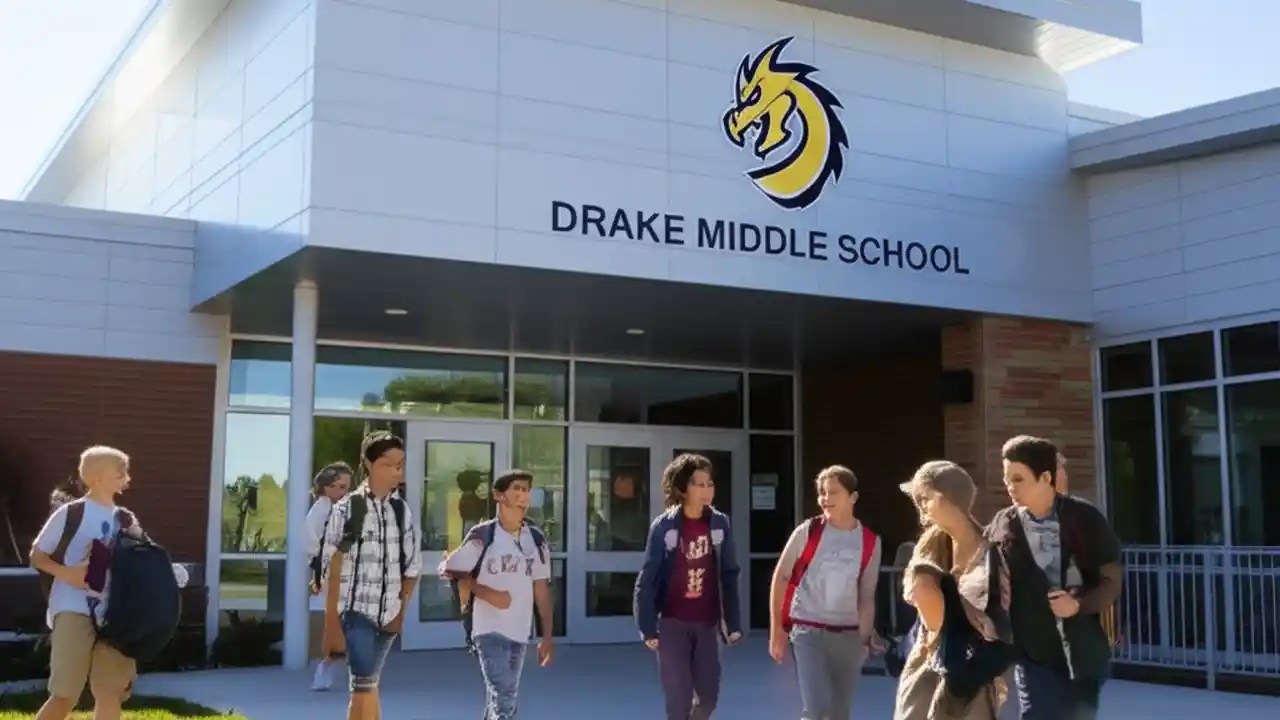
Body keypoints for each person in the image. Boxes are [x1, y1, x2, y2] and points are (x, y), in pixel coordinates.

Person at [989, 435, 1122, 720]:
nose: (1009, 487)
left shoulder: (1083, 517)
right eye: (1006, 478)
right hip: (1031, 655)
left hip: (1081, 655)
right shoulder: (1004, 522)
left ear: (1045, 477)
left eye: (1018, 479)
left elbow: (1111, 580)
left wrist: (1079, 604)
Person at [29, 446, 142, 720]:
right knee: (65, 693)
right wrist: (69, 574)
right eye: (120, 470)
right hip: (72, 609)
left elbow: (138, 562)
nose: (126, 476)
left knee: (110, 692)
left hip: (115, 615)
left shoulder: (126, 519)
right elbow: (37, 556)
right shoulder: (72, 513)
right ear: (98, 476)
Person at [894, 461, 1013, 720]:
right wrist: (964, 607)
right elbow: (914, 594)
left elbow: (1000, 620)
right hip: (927, 659)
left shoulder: (991, 554)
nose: (920, 506)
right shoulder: (930, 544)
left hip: (972, 669)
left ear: (948, 499)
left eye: (925, 498)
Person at [633, 453, 744, 720]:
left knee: (708, 697)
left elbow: (729, 574)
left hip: (707, 624)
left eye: (710, 484)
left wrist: (734, 623)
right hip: (672, 623)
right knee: (678, 698)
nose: (707, 490)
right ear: (682, 488)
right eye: (699, 484)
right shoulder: (664, 527)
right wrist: (647, 626)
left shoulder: (720, 523)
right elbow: (648, 578)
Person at [320, 431, 421, 720]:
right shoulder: (349, 508)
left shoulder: (401, 510)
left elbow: (411, 568)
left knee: (368, 684)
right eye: (388, 464)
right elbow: (333, 567)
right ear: (368, 463)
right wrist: (331, 627)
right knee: (363, 683)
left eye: (400, 465)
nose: (396, 472)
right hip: (356, 612)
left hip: (388, 613)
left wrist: (400, 610)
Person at [769, 465, 882, 720]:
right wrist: (777, 630)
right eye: (822, 493)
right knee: (817, 709)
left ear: (853, 497)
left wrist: (863, 640)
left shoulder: (870, 542)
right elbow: (781, 577)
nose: (825, 499)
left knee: (840, 713)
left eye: (833, 493)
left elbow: (866, 594)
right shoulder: (808, 531)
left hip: (848, 636)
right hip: (808, 632)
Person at [440, 470, 555, 720]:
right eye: (517, 489)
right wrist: (487, 593)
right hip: (488, 630)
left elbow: (541, 590)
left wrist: (547, 636)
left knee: (498, 698)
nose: (523, 495)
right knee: (505, 696)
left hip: (520, 630)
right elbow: (451, 569)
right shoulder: (484, 535)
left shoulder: (534, 538)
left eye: (526, 489)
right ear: (499, 496)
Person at [306, 461, 353, 691]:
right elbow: (311, 544)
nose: (345, 492)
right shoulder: (322, 509)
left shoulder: (341, 509)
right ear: (326, 487)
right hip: (331, 575)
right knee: (334, 623)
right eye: (340, 486)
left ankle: (337, 667)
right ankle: (325, 667)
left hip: (345, 573)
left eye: (347, 487)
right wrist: (318, 573)